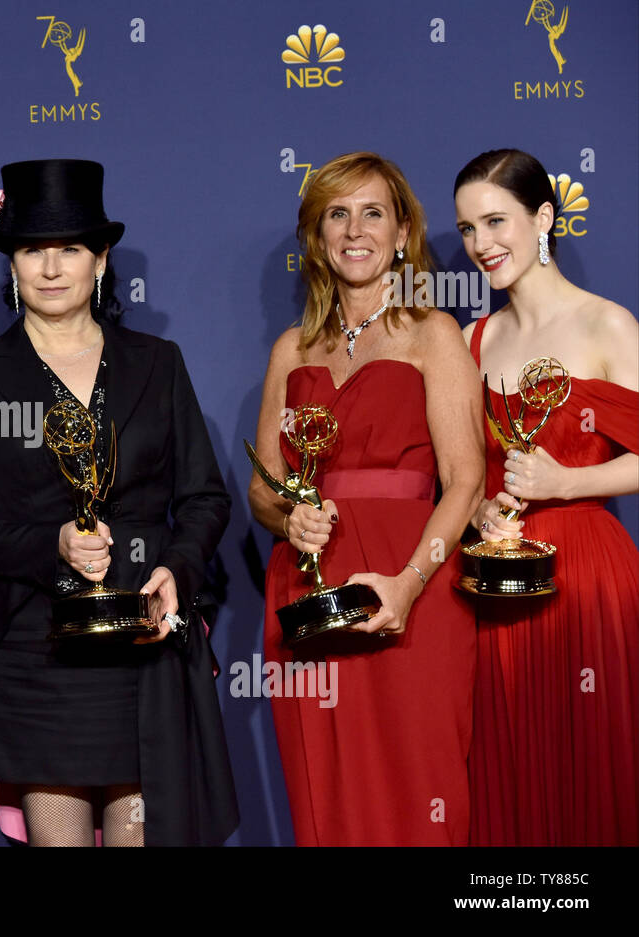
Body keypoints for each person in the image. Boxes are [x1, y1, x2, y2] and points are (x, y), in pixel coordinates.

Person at [0, 159, 237, 846]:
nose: (50, 267)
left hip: (144, 640)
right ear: (10, 262)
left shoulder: (159, 363)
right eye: (33, 248)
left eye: (69, 247)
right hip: (36, 653)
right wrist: (54, 544)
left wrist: (177, 571)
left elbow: (203, 497)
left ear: (101, 259)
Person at [248, 152, 484, 845]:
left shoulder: (433, 334)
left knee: (420, 791)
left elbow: (466, 481)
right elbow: (263, 486)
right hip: (307, 591)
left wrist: (409, 585)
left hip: (414, 585)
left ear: (403, 229)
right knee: (326, 794)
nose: (355, 229)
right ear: (317, 235)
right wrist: (289, 516)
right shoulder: (291, 349)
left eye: (373, 211)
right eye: (337, 214)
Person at [454, 148, 639, 846]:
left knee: (593, 765)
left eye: (497, 221)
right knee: (510, 772)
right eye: (469, 229)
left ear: (544, 217)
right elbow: (465, 471)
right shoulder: (476, 338)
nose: (481, 245)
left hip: (589, 581)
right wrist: (477, 510)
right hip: (499, 585)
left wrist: (568, 482)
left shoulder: (607, 325)